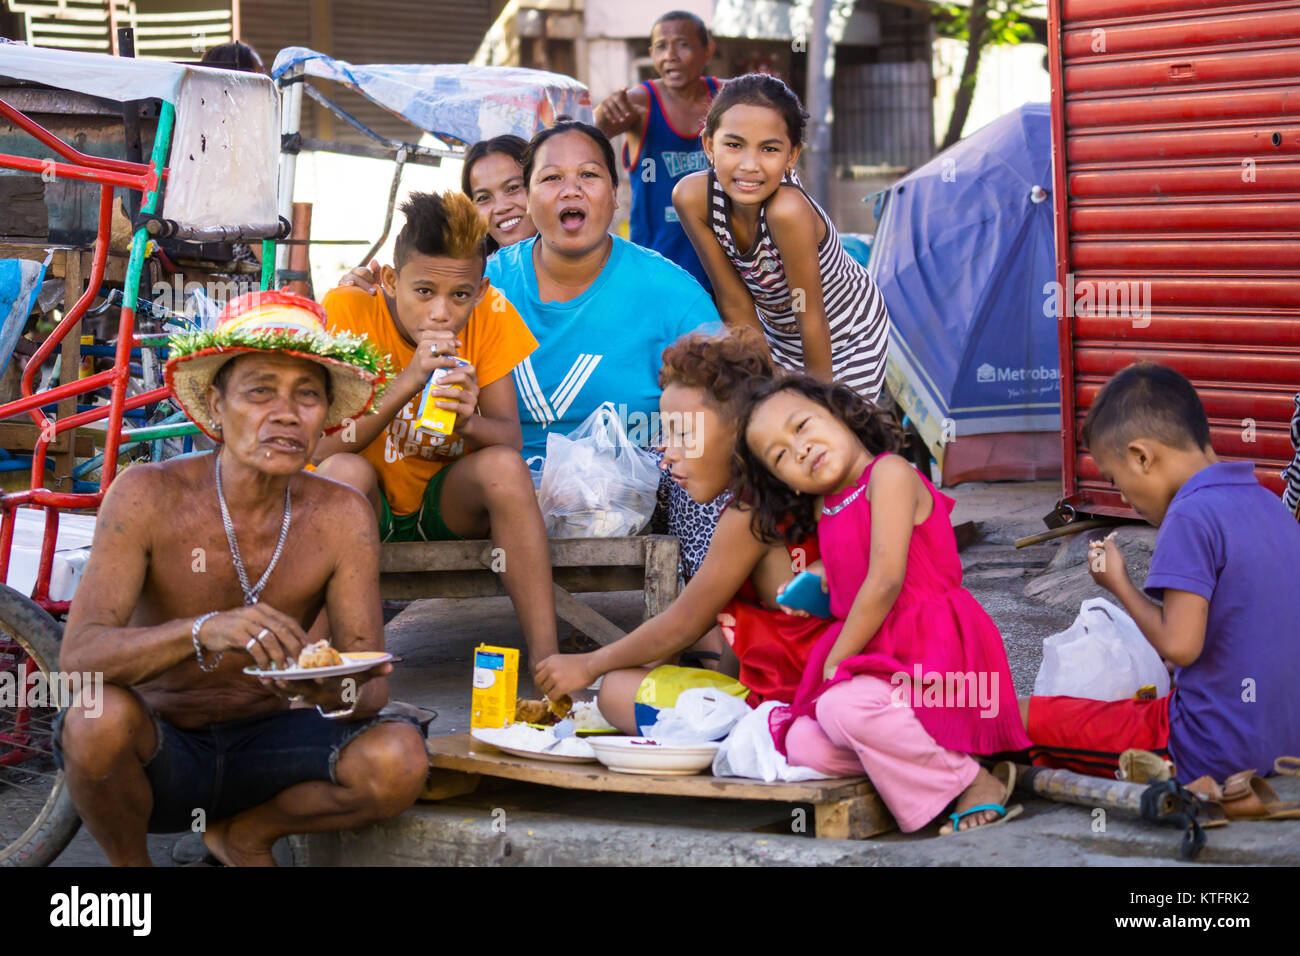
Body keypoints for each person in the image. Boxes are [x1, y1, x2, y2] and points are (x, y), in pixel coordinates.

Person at [56, 291, 429, 866]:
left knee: (398, 758)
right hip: (160, 749)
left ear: (323, 416)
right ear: (216, 404)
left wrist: (324, 687)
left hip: (269, 747)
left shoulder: (341, 514)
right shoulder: (148, 494)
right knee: (94, 719)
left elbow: (370, 687)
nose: (286, 413)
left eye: (306, 396)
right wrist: (203, 630)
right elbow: (79, 658)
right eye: (260, 391)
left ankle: (246, 835)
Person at [734, 375, 1032, 833]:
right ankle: (918, 764)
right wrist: (818, 579)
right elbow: (853, 562)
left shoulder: (889, 474)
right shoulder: (825, 507)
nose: (799, 449)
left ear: (840, 413)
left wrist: (837, 658)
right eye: (779, 456)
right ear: (782, 481)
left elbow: (886, 579)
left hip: (934, 657)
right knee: (803, 744)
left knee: (841, 709)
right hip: (882, 663)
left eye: (801, 426)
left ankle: (972, 780)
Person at [314, 191, 560, 675]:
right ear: (390, 279)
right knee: (342, 470)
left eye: (460, 295)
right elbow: (322, 446)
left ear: (482, 290)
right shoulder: (348, 309)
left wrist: (469, 422)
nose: (443, 312)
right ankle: (315, 662)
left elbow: (510, 440)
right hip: (371, 508)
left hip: (446, 506)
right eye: (424, 291)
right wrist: (408, 379)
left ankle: (550, 663)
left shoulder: (491, 316)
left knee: (504, 468)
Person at [535, 331, 833, 730]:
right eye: (665, 432)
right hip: (800, 686)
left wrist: (589, 664)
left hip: (793, 701)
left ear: (743, 432)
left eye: (683, 434)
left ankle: (741, 738)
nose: (665, 449)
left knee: (616, 691)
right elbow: (739, 635)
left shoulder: (747, 516)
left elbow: (684, 623)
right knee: (641, 681)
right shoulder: (776, 497)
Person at [1022, 363, 1300, 785]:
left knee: (1019, 717)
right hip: (1284, 747)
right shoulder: (1268, 504)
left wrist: (1119, 585)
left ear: (1141, 457)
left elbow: (1180, 646)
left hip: (1204, 750)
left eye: (1117, 480)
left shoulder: (1189, 514)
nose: (1123, 498)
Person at [673, 74, 891, 399]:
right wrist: (766, 384)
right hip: (777, 332)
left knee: (835, 432)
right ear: (709, 145)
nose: (749, 165)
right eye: (733, 145)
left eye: (769, 149)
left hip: (844, 330)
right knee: (765, 416)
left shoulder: (787, 211)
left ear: (791, 155)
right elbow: (734, 300)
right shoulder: (692, 199)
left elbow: (811, 316)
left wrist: (818, 405)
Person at [595, 10, 720, 290]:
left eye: (683, 44)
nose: (671, 55)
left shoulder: (726, 98)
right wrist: (602, 121)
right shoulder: (640, 102)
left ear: (707, 50)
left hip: (722, 269)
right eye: (661, 46)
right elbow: (586, 134)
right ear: (652, 53)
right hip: (656, 271)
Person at [462, 135, 537, 252]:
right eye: (483, 198)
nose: (501, 208)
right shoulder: (477, 270)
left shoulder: (573, 262)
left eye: (513, 188)